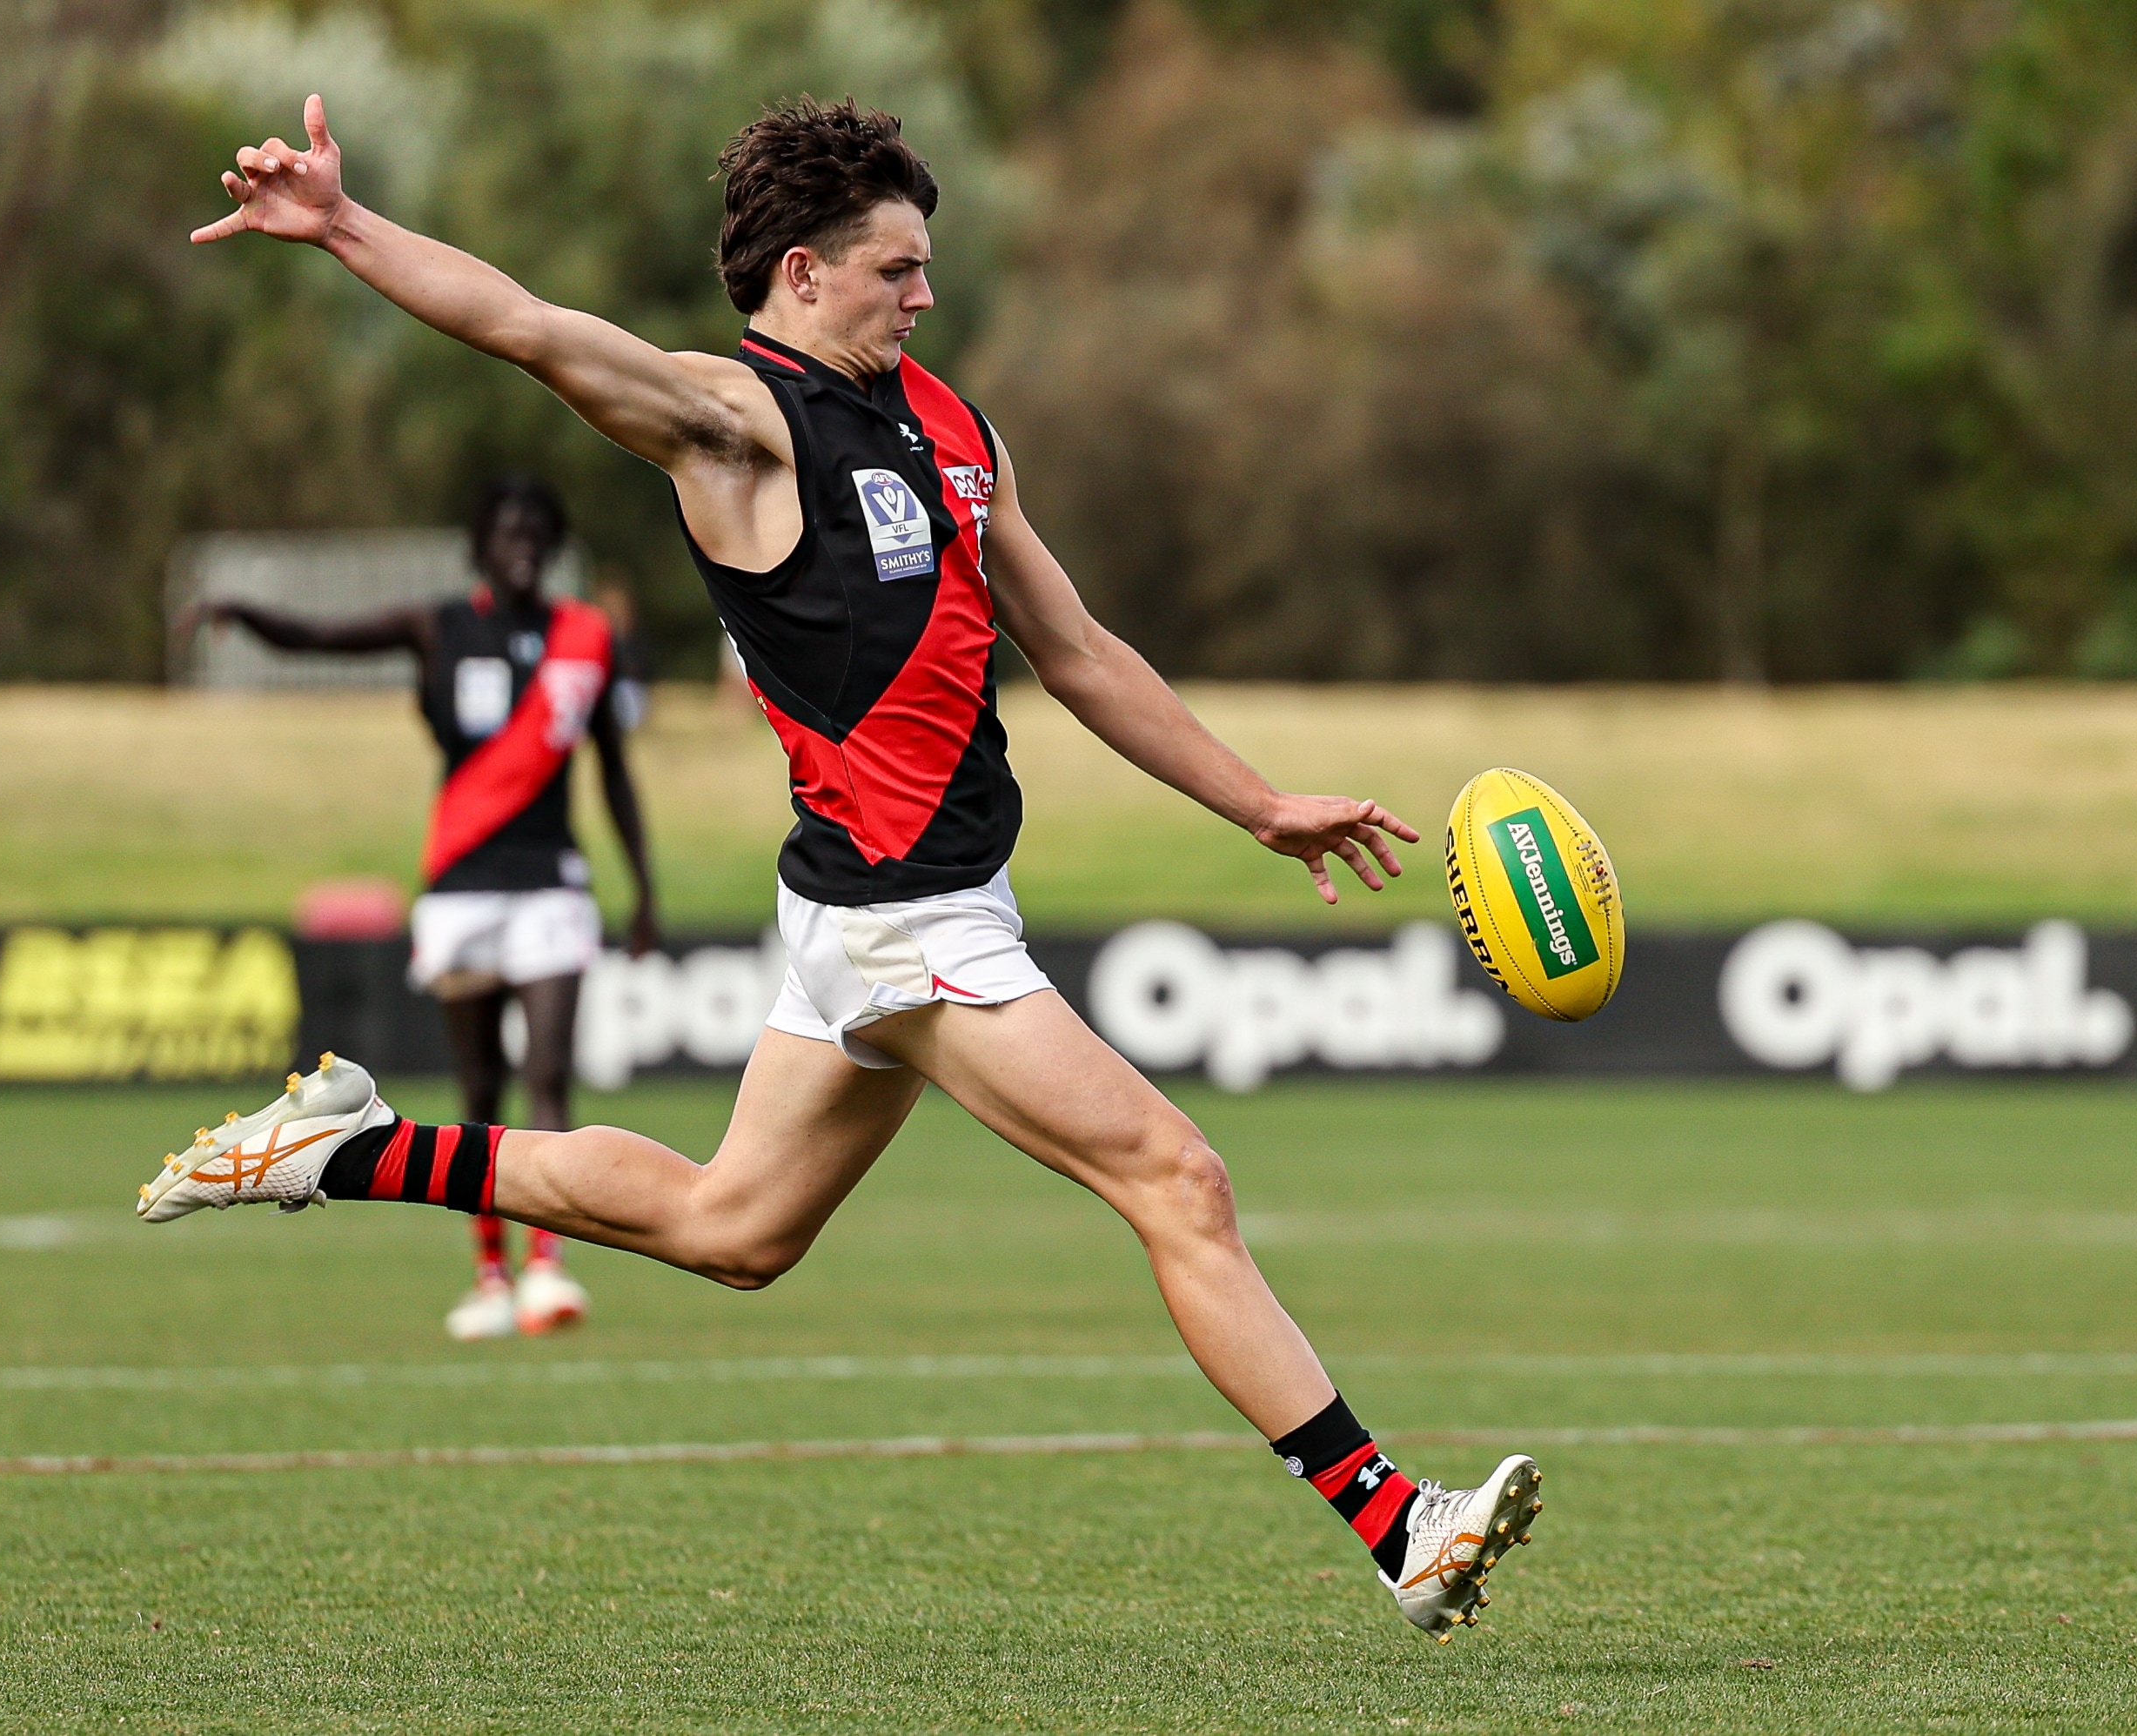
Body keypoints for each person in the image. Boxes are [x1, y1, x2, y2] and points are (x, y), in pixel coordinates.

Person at [137, 93, 1539, 1638]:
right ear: (800, 274)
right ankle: (1397, 1521)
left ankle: (347, 1149)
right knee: (1175, 1177)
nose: (923, 292)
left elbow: (1073, 650)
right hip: (898, 916)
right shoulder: (735, 424)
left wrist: (1258, 804)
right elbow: (530, 327)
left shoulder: (953, 429)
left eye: (924, 266)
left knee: (731, 1232)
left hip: (888, 907)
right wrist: (342, 226)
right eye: (895, 267)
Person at [190, 474, 660, 1340]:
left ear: (551, 547)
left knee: (547, 1075)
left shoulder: (584, 639)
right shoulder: (438, 627)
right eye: (505, 528)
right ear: (478, 546)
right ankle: (489, 1273)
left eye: (537, 530)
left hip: (552, 885)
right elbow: (323, 638)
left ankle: (547, 1272)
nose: (521, 541)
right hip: (461, 892)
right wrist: (242, 613)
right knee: (479, 1088)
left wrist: (643, 889)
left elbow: (616, 774)